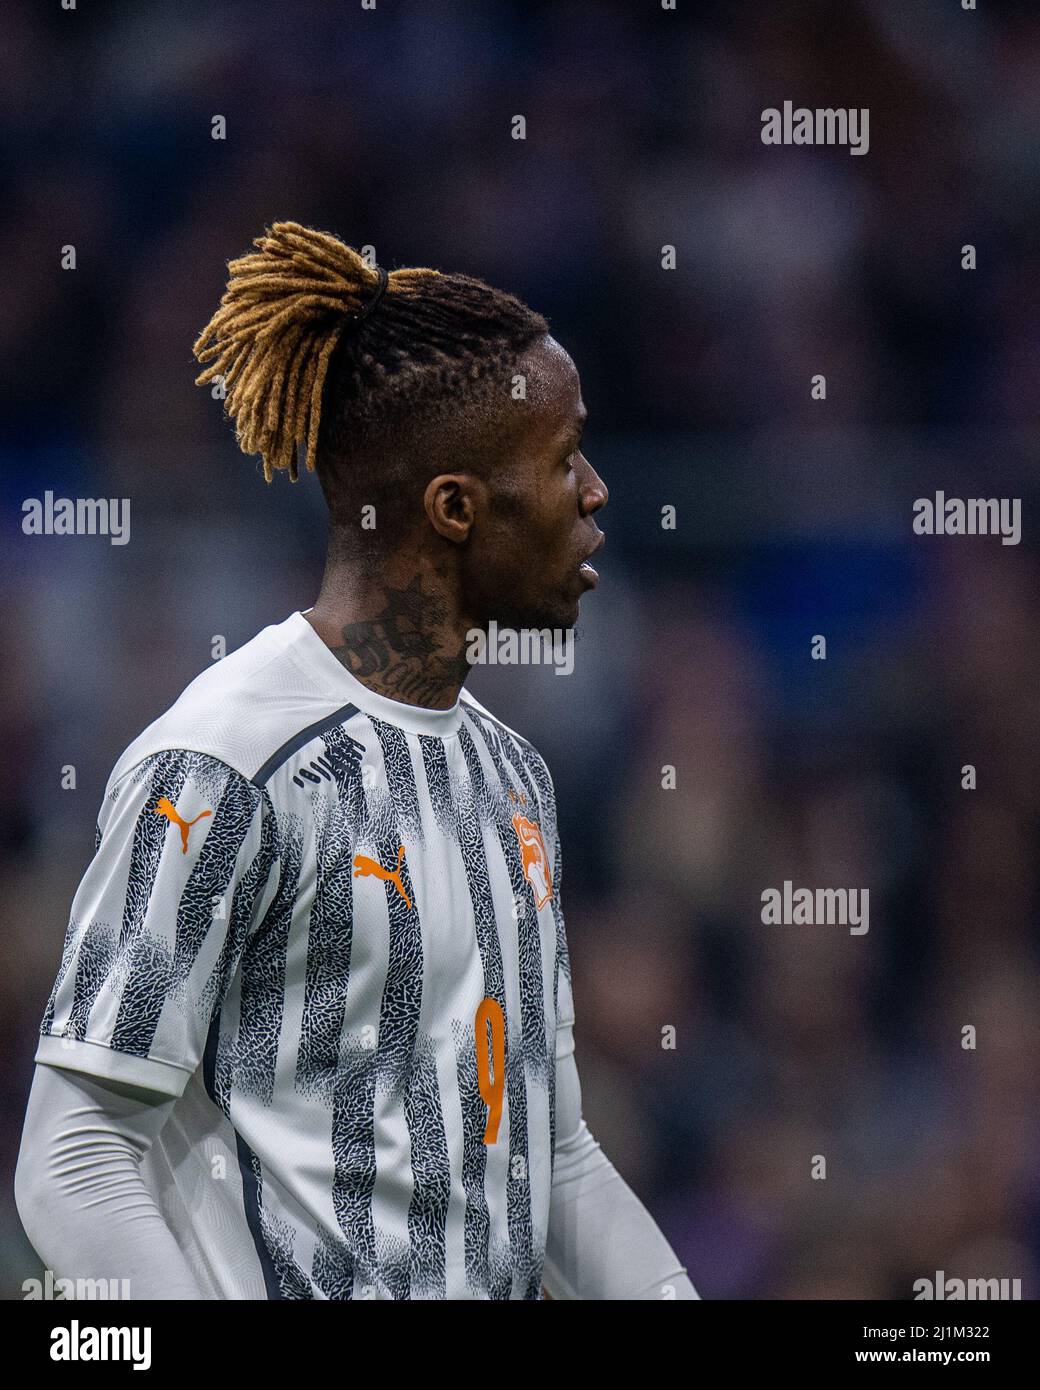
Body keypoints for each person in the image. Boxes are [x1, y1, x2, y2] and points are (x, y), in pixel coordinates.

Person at [15, 222, 698, 1300]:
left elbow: (554, 1156)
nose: (597, 492)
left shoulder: (512, 775)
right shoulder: (222, 762)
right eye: (564, 459)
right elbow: (75, 1152)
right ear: (455, 508)